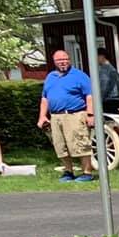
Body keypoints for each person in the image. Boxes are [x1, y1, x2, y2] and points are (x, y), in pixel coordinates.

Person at [36, 48, 97, 182]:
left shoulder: (79, 75)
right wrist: (42, 116)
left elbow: (90, 96)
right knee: (60, 145)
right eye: (59, 60)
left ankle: (87, 172)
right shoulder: (50, 77)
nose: (63, 62)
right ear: (54, 62)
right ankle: (68, 171)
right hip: (55, 116)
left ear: (69, 60)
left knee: (80, 144)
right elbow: (44, 98)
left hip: (75, 114)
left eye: (65, 59)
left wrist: (91, 114)